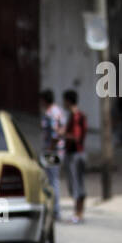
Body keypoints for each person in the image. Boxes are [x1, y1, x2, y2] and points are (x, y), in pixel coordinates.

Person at [62, 89, 88, 223]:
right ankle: (79, 213)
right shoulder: (77, 115)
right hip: (78, 153)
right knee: (79, 184)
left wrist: (63, 134)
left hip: (75, 155)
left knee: (76, 185)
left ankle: (78, 213)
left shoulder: (76, 116)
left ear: (68, 101)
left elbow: (76, 137)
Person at [39, 89, 65, 221]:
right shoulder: (58, 110)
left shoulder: (50, 113)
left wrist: (49, 149)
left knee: (52, 181)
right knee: (52, 180)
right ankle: (53, 210)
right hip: (57, 150)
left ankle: (55, 211)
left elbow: (55, 134)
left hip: (53, 151)